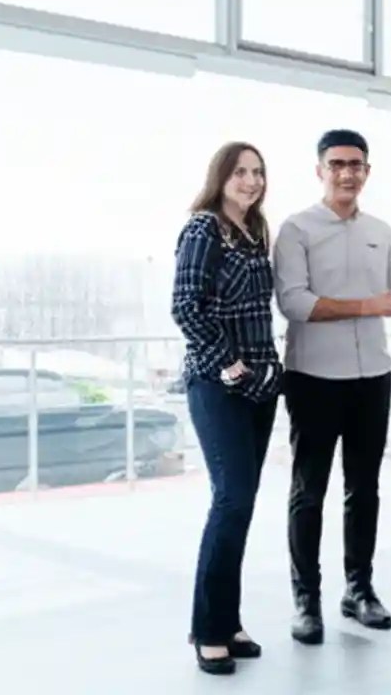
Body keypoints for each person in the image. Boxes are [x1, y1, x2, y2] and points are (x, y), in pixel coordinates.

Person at [273, 129, 391, 644]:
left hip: (372, 377)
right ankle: (306, 600)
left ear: (367, 172)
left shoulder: (381, 230)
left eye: (356, 164)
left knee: (364, 489)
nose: (347, 173)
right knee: (309, 492)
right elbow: (294, 303)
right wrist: (366, 306)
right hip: (313, 378)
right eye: (337, 164)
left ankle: (359, 591)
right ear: (319, 171)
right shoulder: (296, 229)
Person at [171, 141, 283, 675]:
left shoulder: (256, 231)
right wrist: (228, 362)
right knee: (230, 499)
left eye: (258, 172)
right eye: (240, 172)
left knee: (241, 505)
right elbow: (185, 307)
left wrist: (266, 371)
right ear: (221, 177)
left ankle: (228, 621)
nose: (251, 180)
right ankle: (208, 631)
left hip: (260, 387)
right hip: (217, 385)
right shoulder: (203, 229)